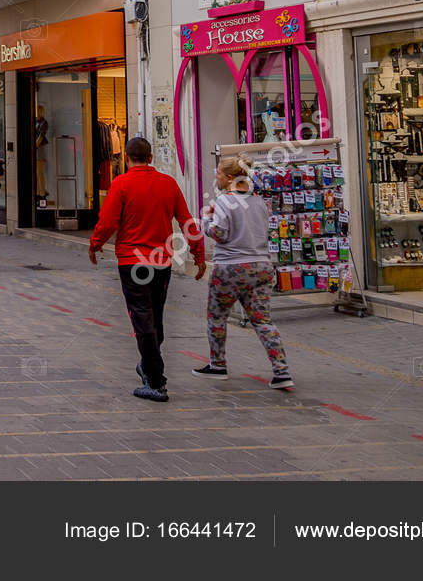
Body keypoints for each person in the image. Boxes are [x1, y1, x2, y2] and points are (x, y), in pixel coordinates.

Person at [89, 136, 205, 403]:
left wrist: (95, 244)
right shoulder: (168, 184)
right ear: (151, 158)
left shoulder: (121, 184)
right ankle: (149, 364)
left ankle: (155, 379)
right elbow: (187, 221)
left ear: (127, 159)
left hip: (132, 262)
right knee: (155, 315)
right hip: (161, 261)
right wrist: (198, 254)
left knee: (142, 318)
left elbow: (107, 222)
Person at [192, 157, 293, 388]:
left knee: (217, 316)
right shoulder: (259, 202)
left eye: (218, 173)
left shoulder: (225, 201)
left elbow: (220, 234)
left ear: (229, 178)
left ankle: (217, 365)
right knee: (263, 320)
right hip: (261, 266)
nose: (215, 177)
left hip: (230, 267)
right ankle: (282, 371)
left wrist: (206, 220)